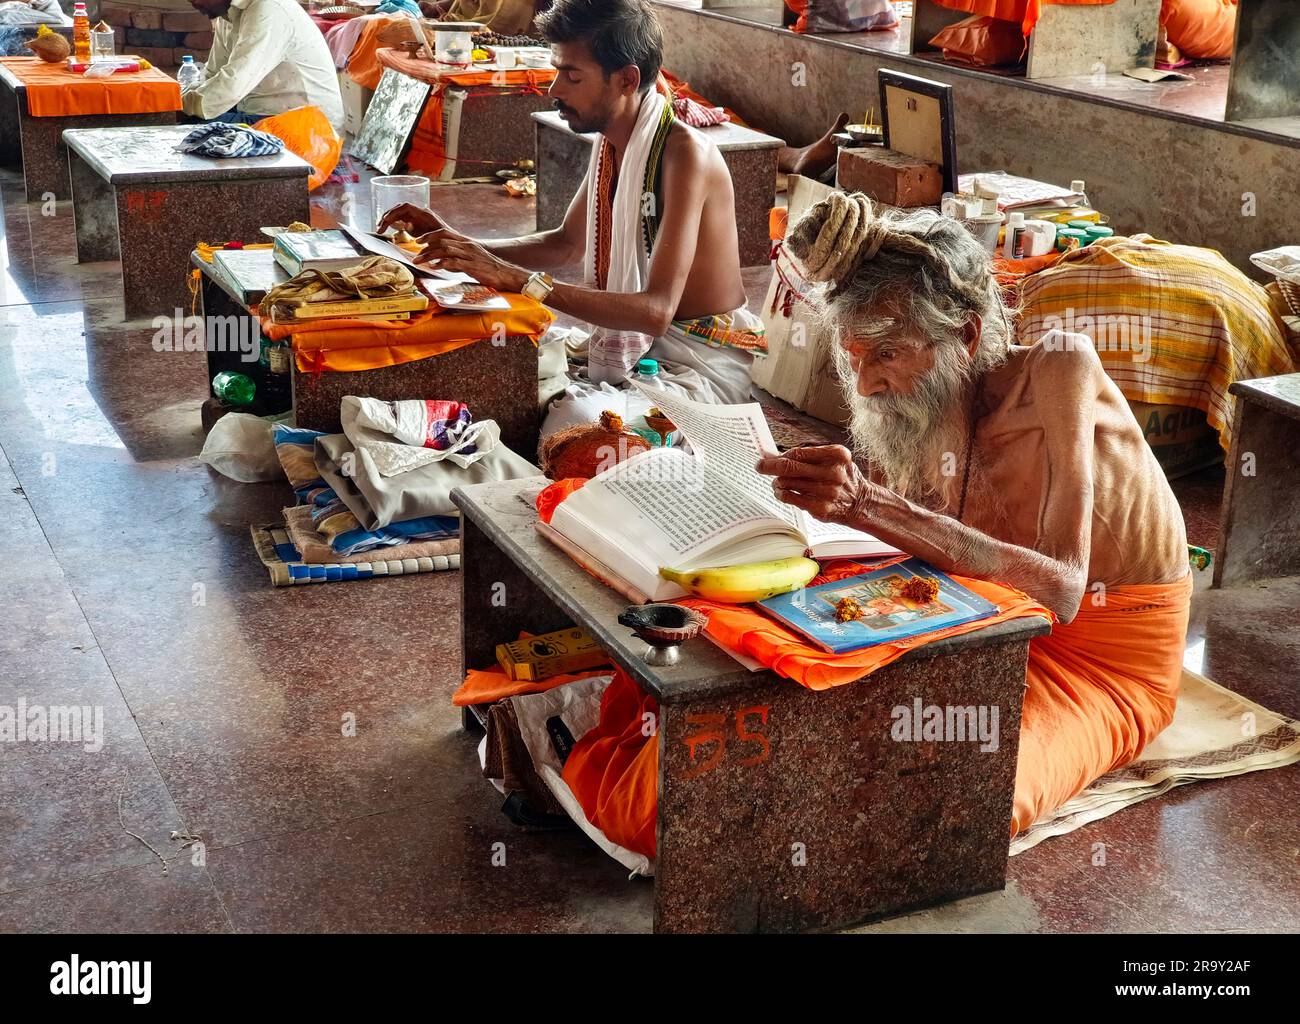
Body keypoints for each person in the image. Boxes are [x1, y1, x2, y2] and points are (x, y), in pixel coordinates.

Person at [563, 193, 1195, 855]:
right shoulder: (921, 403)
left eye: (887, 355)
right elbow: (896, 536)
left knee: (945, 798)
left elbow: (1064, 591)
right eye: (854, 358)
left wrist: (868, 506)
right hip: (964, 622)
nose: (864, 386)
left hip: (1093, 665)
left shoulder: (1059, 370)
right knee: (753, 735)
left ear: (968, 336)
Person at [379, 0, 764, 429]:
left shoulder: (685, 155)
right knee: (491, 360)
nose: (554, 90)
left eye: (572, 75)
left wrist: (517, 279)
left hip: (698, 364)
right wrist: (462, 247)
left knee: (579, 423)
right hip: (641, 351)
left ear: (626, 79)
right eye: (558, 70)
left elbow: (655, 311)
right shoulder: (614, 140)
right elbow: (564, 243)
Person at [180, 0, 344, 129]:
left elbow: (232, 85)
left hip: (310, 130)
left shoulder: (269, 8)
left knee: (192, 128)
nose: (192, 2)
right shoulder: (226, 15)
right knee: (193, 122)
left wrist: (178, 108)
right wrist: (176, 98)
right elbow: (212, 74)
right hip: (261, 113)